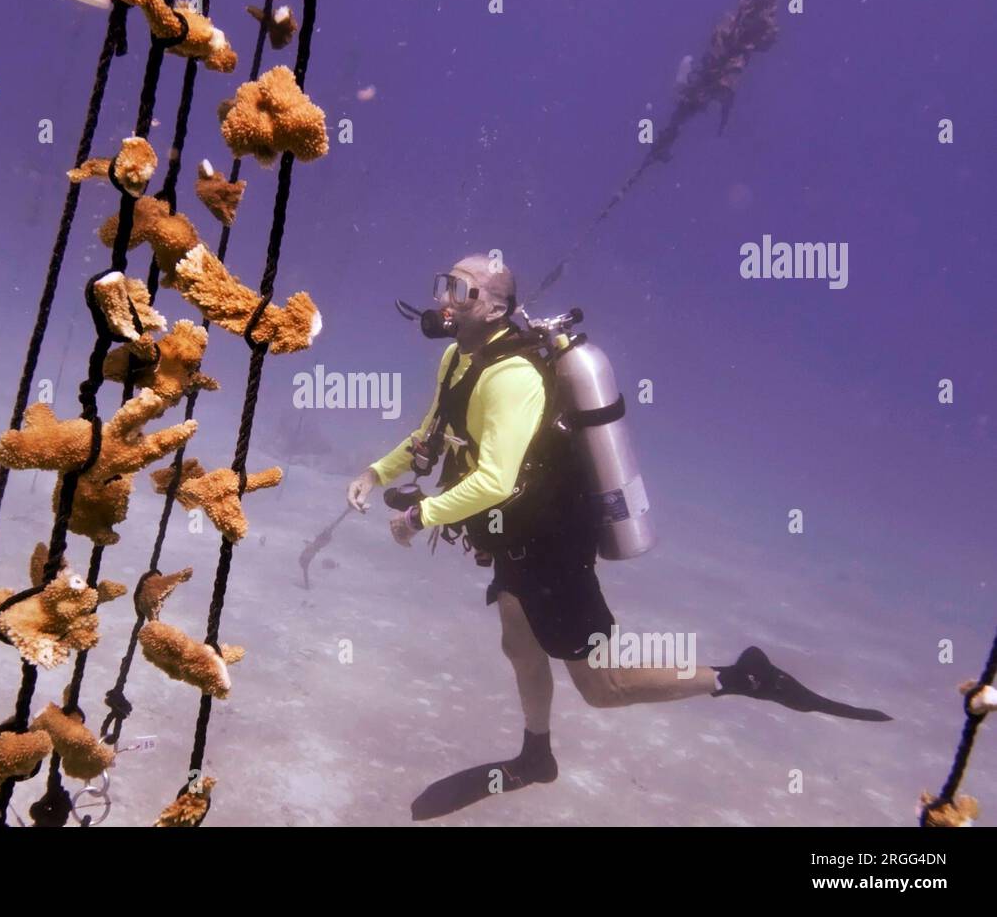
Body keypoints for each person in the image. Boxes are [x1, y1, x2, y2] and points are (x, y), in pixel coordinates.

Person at [346, 253, 891, 819]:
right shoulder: (458, 358)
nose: (446, 301)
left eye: (462, 290)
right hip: (511, 540)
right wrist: (376, 472)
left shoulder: (513, 378)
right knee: (519, 642)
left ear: (497, 307)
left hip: (553, 549)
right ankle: (536, 756)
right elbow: (431, 434)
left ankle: (742, 676)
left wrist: (420, 516)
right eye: (445, 285)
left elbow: (494, 479)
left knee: (604, 687)